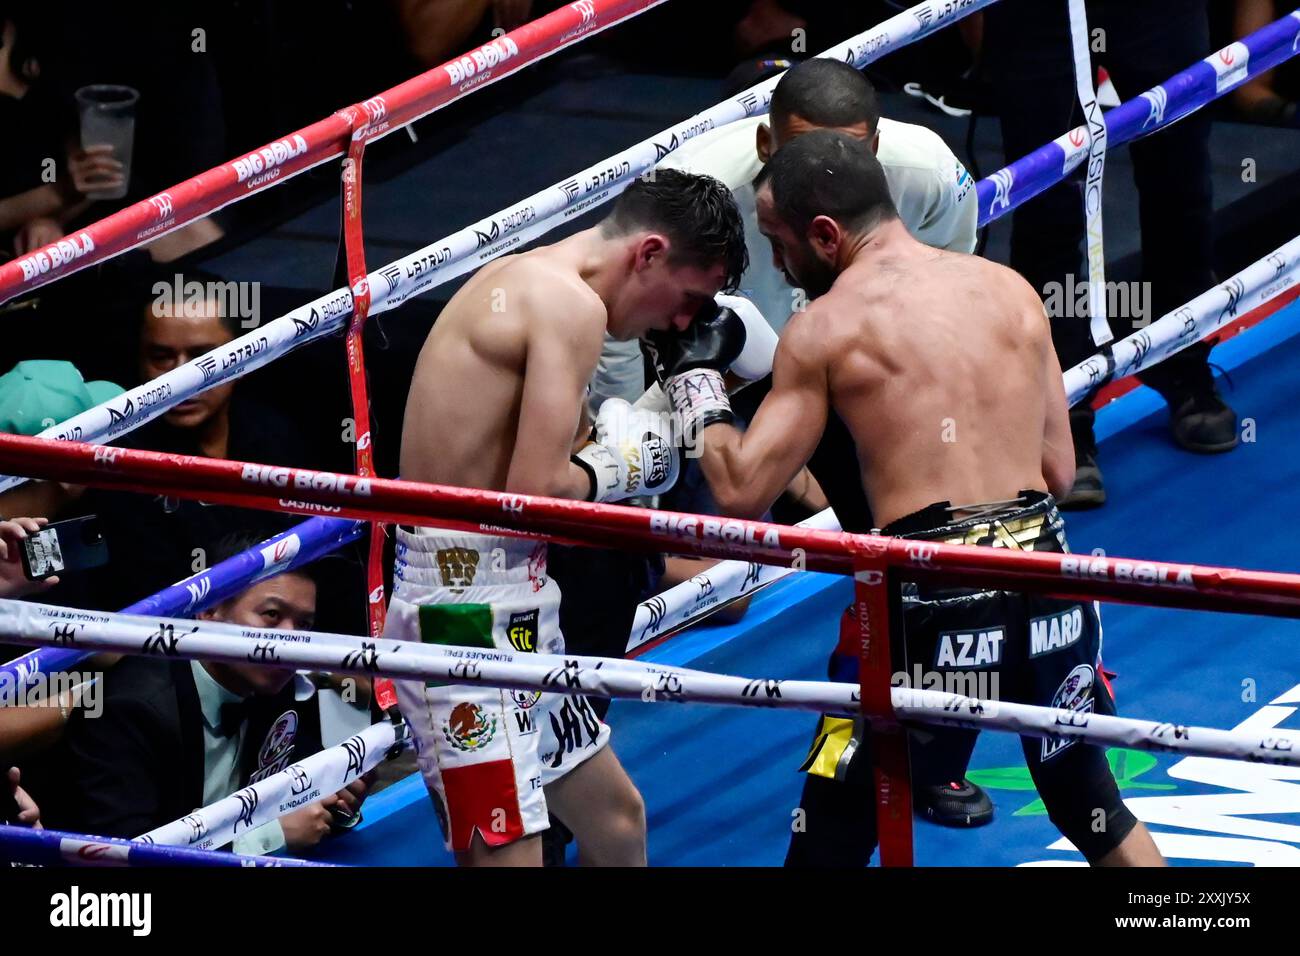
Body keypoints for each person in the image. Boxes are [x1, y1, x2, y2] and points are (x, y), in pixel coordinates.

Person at [650, 130, 1164, 866]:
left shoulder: (823, 329)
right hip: (1051, 580)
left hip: (933, 600)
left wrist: (695, 383)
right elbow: (1057, 470)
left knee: (829, 826)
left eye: (778, 242)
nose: (778, 263)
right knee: (1093, 807)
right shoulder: (1009, 290)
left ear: (825, 235)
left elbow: (739, 491)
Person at [638, 57, 992, 828]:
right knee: (1083, 790)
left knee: (842, 779)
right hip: (1036, 573)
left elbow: (741, 491)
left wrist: (705, 388)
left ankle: (907, 764)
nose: (820, 175)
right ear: (765, 145)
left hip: (849, 397)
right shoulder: (690, 194)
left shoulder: (926, 175)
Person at [386, 168, 747, 867]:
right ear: (648, 253)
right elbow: (535, 491)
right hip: (460, 615)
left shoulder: (534, 282)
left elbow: (555, 456)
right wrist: (625, 466)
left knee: (616, 823)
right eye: (688, 298)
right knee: (511, 858)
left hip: (517, 604)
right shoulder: (568, 307)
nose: (680, 322)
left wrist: (637, 432)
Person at [984, 0, 1237, 508]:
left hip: (1156, 10)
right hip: (1041, 14)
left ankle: (1183, 358)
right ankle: (1064, 409)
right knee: (1048, 195)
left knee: (1181, 174)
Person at [38, 532, 369, 855]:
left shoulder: (277, 685)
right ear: (209, 611)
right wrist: (269, 837)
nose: (290, 642)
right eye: (272, 616)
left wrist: (336, 795)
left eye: (303, 626)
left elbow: (305, 796)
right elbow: (122, 859)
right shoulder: (130, 710)